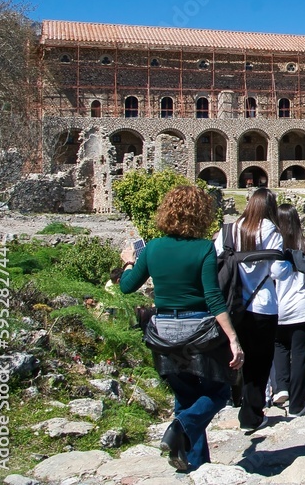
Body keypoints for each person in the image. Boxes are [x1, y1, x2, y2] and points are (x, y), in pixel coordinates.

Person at [118, 185, 243, 472]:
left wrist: (127, 262)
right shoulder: (203, 249)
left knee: (185, 395)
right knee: (219, 390)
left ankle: (190, 460)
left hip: (162, 333)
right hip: (197, 332)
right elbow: (213, 297)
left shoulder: (152, 248)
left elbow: (126, 286)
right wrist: (233, 338)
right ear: (201, 215)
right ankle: (180, 429)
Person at [213, 188, 290, 433]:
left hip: (232, 305)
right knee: (260, 362)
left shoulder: (229, 229)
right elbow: (279, 272)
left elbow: (215, 260)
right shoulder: (271, 230)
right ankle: (252, 413)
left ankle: (233, 402)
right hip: (262, 305)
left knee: (238, 359)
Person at [271, 204, 305, 417]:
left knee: (279, 348)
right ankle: (298, 403)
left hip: (278, 306)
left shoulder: (272, 248)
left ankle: (281, 387)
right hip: (301, 306)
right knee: (300, 355)